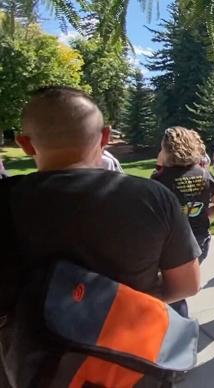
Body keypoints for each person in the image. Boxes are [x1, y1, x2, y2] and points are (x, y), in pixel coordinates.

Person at [0, 87, 201, 387]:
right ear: (105, 137)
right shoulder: (153, 197)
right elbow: (187, 284)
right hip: (129, 368)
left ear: (25, 144)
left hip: (29, 371)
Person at [152, 126, 214, 317]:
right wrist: (202, 215)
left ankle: (174, 326)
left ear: (167, 149)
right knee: (179, 289)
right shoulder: (203, 174)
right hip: (199, 240)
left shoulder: (159, 180)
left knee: (169, 292)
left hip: (171, 245)